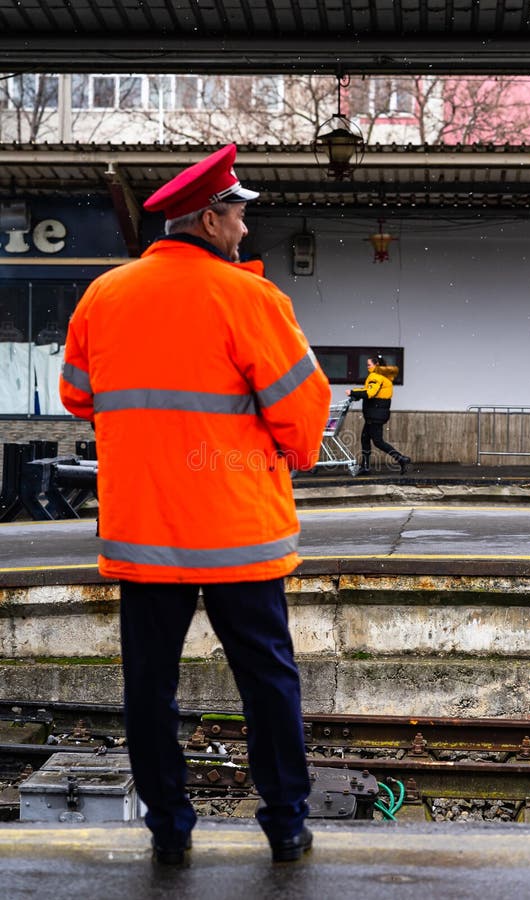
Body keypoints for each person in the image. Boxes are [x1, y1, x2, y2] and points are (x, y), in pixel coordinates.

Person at [59, 144, 331, 867]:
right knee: (267, 680)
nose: (245, 229)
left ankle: (171, 828)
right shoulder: (250, 299)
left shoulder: (104, 295)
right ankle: (284, 823)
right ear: (210, 219)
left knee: (150, 686)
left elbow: (78, 394)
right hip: (239, 531)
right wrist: (278, 452)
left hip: (144, 531)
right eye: (239, 216)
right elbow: (303, 414)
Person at [346, 354, 410, 475]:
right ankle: (365, 466)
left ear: (377, 365)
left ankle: (401, 459)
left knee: (378, 441)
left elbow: (370, 393)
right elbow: (369, 390)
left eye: (369, 365)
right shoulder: (384, 376)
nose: (367, 367)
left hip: (375, 414)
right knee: (365, 438)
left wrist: (352, 392)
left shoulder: (375, 376)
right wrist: (356, 393)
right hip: (377, 414)